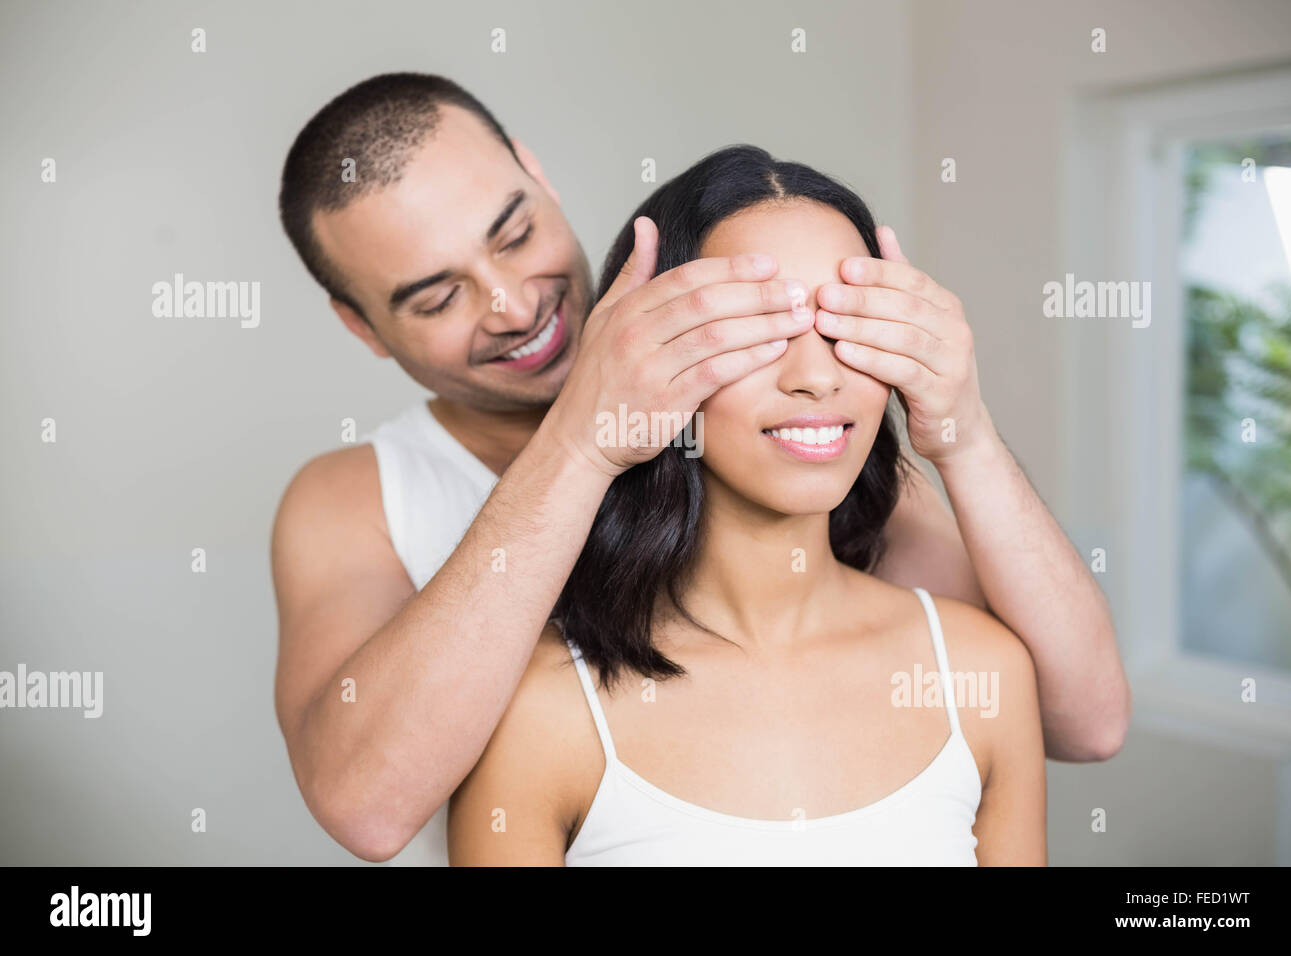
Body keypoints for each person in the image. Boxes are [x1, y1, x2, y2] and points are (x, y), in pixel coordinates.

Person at [271, 73, 1122, 865]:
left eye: (516, 232)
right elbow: (367, 807)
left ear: (537, 174)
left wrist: (965, 432)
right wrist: (582, 439)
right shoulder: (355, 500)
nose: (513, 306)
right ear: (363, 327)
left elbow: (1082, 719)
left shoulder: (800, 430)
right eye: (437, 297)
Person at [448, 146, 1047, 865]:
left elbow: (1100, 722)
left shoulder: (983, 673)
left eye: (847, 324)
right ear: (647, 362)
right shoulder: (538, 711)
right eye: (763, 329)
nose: (817, 377)